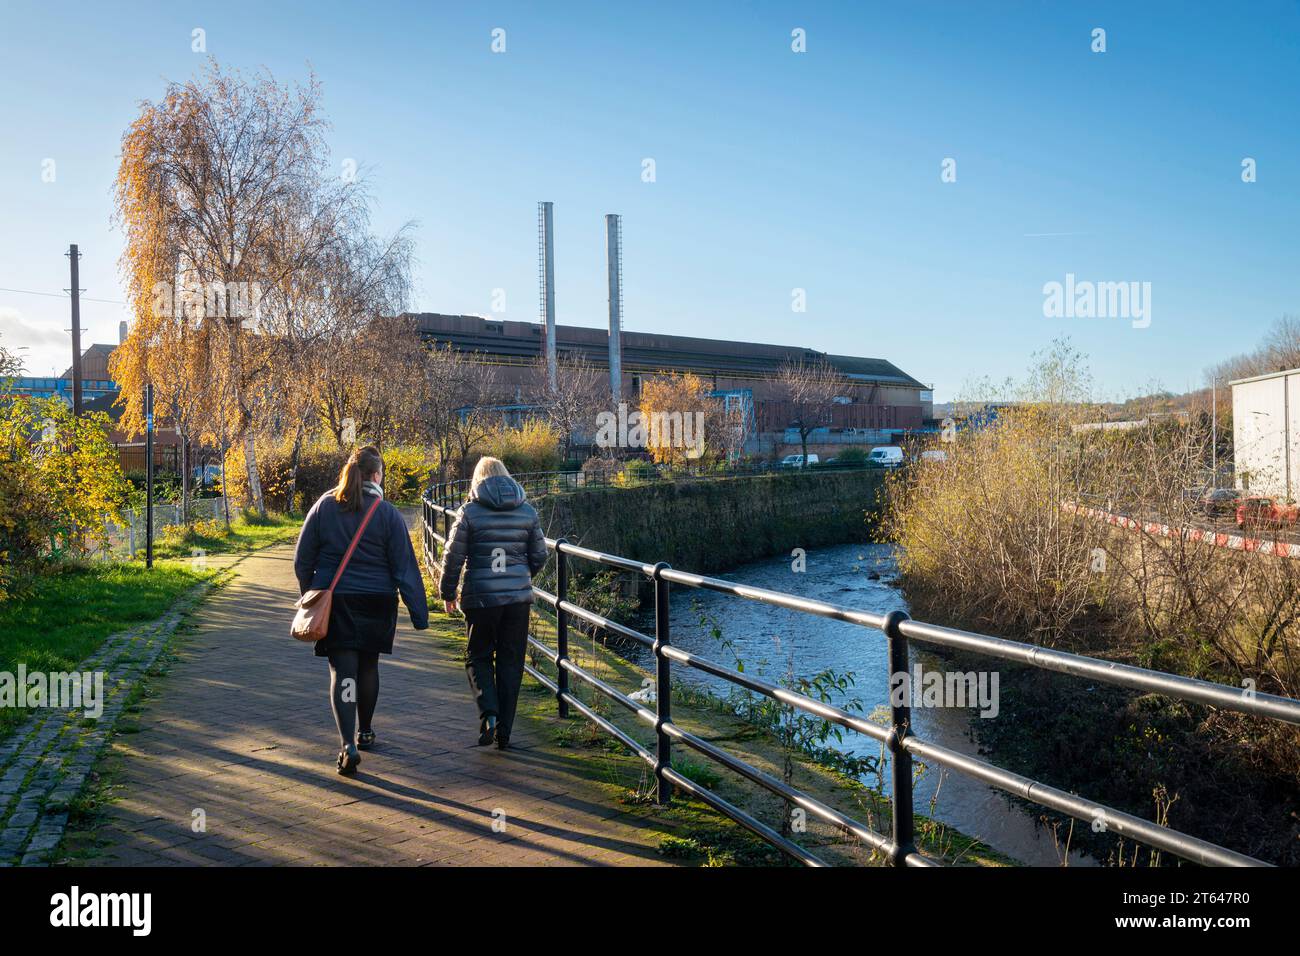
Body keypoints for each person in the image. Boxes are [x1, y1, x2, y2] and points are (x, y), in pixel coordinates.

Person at [294, 445, 428, 775]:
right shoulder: (388, 514)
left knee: (343, 672)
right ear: (376, 475)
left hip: (337, 599)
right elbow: (405, 568)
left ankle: (347, 745)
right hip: (377, 600)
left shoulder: (324, 507)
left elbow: (302, 561)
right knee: (368, 666)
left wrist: (311, 595)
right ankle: (365, 731)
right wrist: (419, 613)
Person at [440, 457, 547, 750]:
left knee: (479, 655)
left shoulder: (469, 512)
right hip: (517, 600)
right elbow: (539, 556)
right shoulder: (526, 511)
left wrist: (448, 592)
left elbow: (453, 557)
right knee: (511, 662)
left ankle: (488, 713)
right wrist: (520, 577)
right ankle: (505, 732)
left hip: (480, 597)